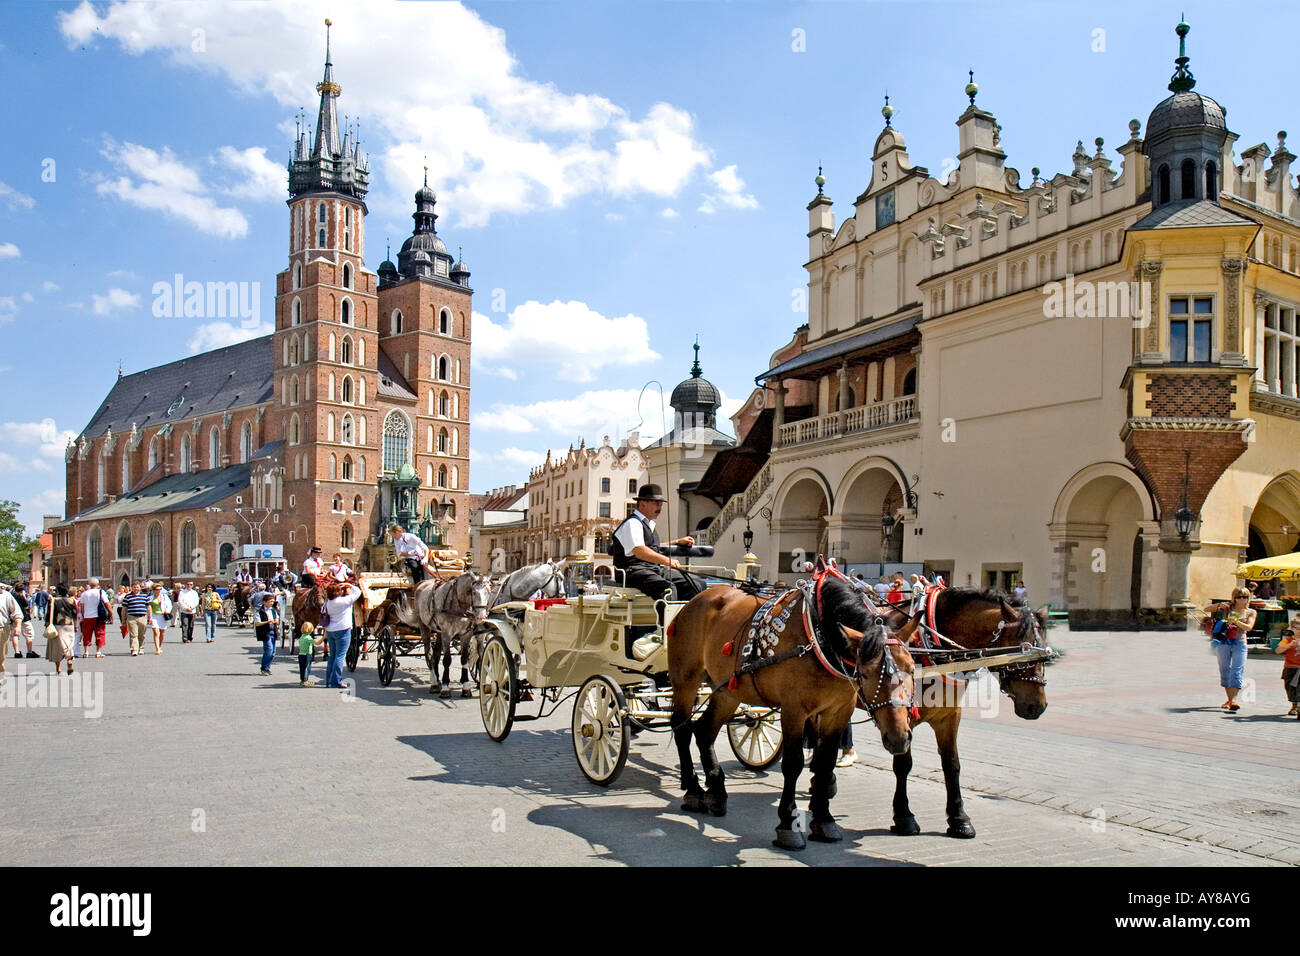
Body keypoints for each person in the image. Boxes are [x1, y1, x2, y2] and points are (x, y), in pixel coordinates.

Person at [608, 484, 701, 608]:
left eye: (661, 504)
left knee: (693, 584)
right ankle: (666, 626)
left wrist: (676, 542)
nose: (659, 507)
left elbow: (652, 547)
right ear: (642, 504)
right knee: (668, 590)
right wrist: (667, 560)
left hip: (651, 569)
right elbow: (639, 550)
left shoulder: (649, 524)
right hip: (632, 571)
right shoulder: (632, 523)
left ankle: (687, 622)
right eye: (656, 503)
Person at [1203, 587, 1256, 712]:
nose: (1242, 599)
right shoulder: (1227, 608)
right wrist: (1219, 605)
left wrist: (1236, 622)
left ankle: (1234, 700)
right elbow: (1206, 609)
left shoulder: (1250, 612)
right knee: (1225, 670)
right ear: (1234, 598)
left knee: (1237, 670)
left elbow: (1249, 627)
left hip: (1240, 642)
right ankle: (1230, 699)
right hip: (1224, 642)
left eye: (1245, 597)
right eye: (1239, 597)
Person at [322, 581, 362, 689]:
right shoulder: (344, 601)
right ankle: (336, 681)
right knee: (340, 656)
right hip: (343, 630)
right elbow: (357, 592)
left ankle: (329, 680)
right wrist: (349, 585)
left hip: (330, 631)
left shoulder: (327, 602)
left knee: (333, 656)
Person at [76, 578, 112, 659]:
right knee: (100, 633)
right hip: (98, 616)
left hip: (87, 616)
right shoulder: (101, 592)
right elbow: (107, 604)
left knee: (87, 634)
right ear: (98, 584)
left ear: (89, 584)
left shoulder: (84, 593)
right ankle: (98, 652)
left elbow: (82, 606)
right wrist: (111, 614)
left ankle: (86, 652)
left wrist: (83, 615)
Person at [46, 583, 77, 674]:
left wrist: (47, 623)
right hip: (69, 624)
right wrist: (75, 626)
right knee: (69, 644)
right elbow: (74, 614)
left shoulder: (54, 600)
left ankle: (58, 668)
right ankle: (69, 660)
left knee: (57, 646)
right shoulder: (71, 601)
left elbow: (49, 614)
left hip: (58, 624)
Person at [1275, 625, 1300, 718]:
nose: (1299, 630)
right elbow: (1277, 650)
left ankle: (1299, 707)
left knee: (1299, 688)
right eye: (1297, 628)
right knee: (1289, 687)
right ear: (1292, 629)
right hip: (1290, 667)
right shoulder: (1288, 640)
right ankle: (1294, 705)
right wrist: (1289, 645)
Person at [0, 583, 23, 683]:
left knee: (1, 656)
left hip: (2, 629)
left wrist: (18, 626)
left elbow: (16, 612)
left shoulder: (5, 595)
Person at [121, 583, 151, 656]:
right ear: (132, 588)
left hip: (142, 617)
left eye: (137, 587)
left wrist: (150, 617)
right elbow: (124, 609)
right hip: (131, 617)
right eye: (134, 587)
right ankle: (134, 649)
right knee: (133, 634)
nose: (136, 589)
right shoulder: (128, 596)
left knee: (142, 634)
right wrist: (123, 619)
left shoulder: (145, 596)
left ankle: (141, 648)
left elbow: (148, 607)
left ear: (140, 588)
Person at [255, 593, 279, 675]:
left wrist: (275, 621)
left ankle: (267, 667)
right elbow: (257, 623)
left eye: (272, 601)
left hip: (273, 631)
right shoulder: (260, 611)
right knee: (269, 650)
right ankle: (264, 668)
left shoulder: (273, 610)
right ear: (264, 602)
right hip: (265, 632)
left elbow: (277, 620)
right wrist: (267, 622)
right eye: (270, 601)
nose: (272, 603)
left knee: (273, 653)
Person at [297, 620, 323, 686]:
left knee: (302, 668)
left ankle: (302, 680)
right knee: (307, 667)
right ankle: (305, 680)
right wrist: (323, 637)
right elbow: (317, 643)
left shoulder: (301, 637)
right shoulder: (309, 638)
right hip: (307, 654)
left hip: (301, 654)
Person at [149, 583, 172, 655]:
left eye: (160, 589)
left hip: (162, 616)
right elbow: (148, 607)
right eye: (157, 589)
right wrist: (149, 617)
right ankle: (157, 649)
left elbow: (169, 605)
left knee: (162, 633)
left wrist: (167, 610)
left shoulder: (164, 597)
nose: (159, 591)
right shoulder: (150, 598)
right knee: (156, 632)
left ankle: (159, 646)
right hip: (154, 616)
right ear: (153, 590)